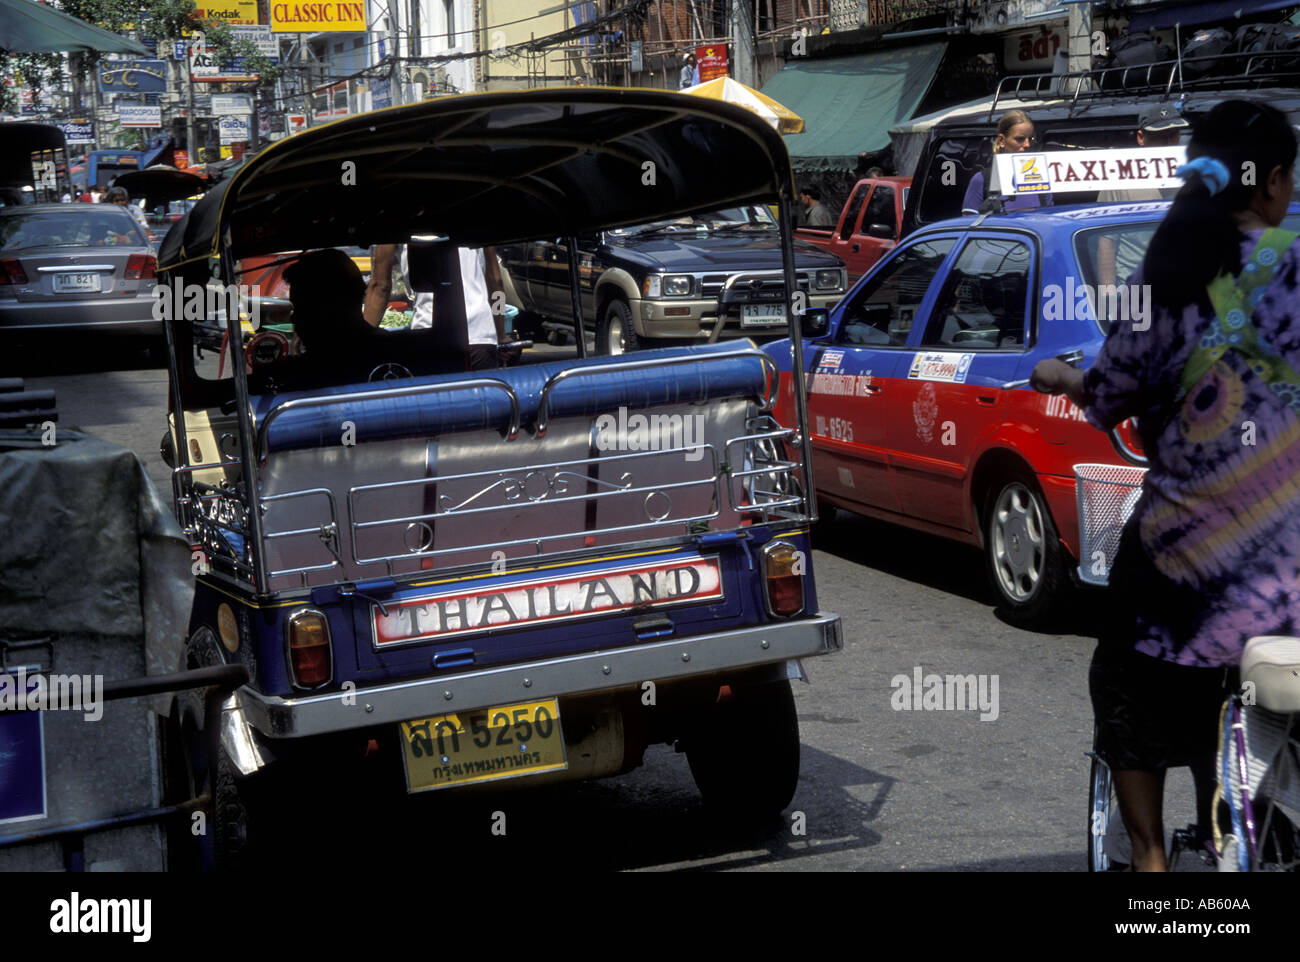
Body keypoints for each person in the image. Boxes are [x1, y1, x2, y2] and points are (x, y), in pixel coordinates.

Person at [1030, 100, 1300, 872]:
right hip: (1289, 574)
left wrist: (1061, 375)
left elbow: (1108, 393)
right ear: (1275, 182)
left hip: (1184, 565)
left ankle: (1149, 859)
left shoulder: (1165, 271)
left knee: (1124, 676)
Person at [364, 242, 509, 370]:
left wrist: (364, 338)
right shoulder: (474, 218)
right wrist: (501, 333)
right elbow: (496, 283)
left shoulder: (399, 221)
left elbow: (380, 287)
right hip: (480, 335)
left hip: (429, 334)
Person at [1096, 105, 1191, 289]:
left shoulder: (1193, 178)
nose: (1170, 143)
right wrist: (1107, 296)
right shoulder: (1120, 180)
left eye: (1174, 135)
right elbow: (1106, 243)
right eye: (1162, 137)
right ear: (1141, 137)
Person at [961, 110, 1053, 215]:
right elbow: (969, 225)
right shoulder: (982, 179)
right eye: (1020, 139)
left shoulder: (1041, 178)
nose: (1027, 144)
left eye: (1031, 139)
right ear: (1002, 141)